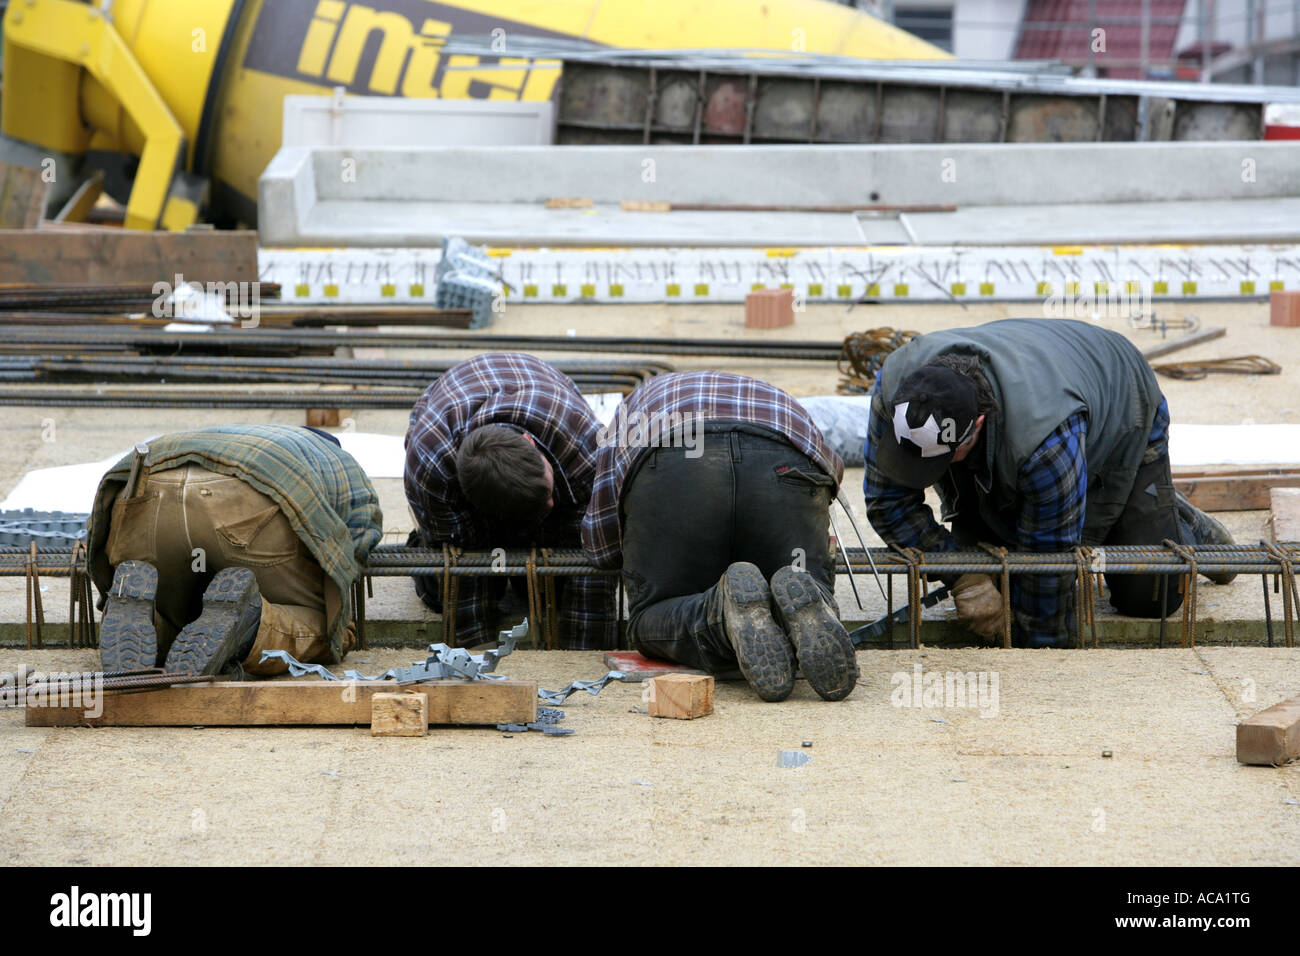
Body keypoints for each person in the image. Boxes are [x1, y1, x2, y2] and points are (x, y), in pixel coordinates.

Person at [863, 317, 1235, 648]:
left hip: (1121, 402)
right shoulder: (897, 391)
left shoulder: (1045, 442)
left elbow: (1048, 562)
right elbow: (887, 503)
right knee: (1000, 579)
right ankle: (1078, 505)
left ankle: (1178, 520)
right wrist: (962, 574)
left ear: (975, 425)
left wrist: (1034, 643)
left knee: (1150, 598)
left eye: (941, 459)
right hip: (1038, 403)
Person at [583, 370, 855, 702]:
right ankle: (810, 602)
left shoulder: (633, 410)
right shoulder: (770, 393)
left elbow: (601, 546)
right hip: (783, 462)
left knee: (650, 618)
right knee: (805, 581)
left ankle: (721, 615)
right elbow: (830, 473)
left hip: (676, 468)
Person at [87, 425, 382, 676]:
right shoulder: (337, 459)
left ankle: (149, 617)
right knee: (331, 631)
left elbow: (99, 528)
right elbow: (354, 544)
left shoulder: (231, 434)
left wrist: (107, 578)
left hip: (145, 485)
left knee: (182, 608)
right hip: (246, 499)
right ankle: (249, 624)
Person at [404, 352, 616, 649]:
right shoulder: (430, 465)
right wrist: (474, 657)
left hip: (549, 403)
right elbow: (462, 561)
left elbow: (594, 562)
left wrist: (584, 657)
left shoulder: (585, 445)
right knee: (443, 591)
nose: (552, 505)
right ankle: (428, 546)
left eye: (548, 494)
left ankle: (528, 550)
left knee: (551, 588)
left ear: (530, 443)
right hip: (440, 414)